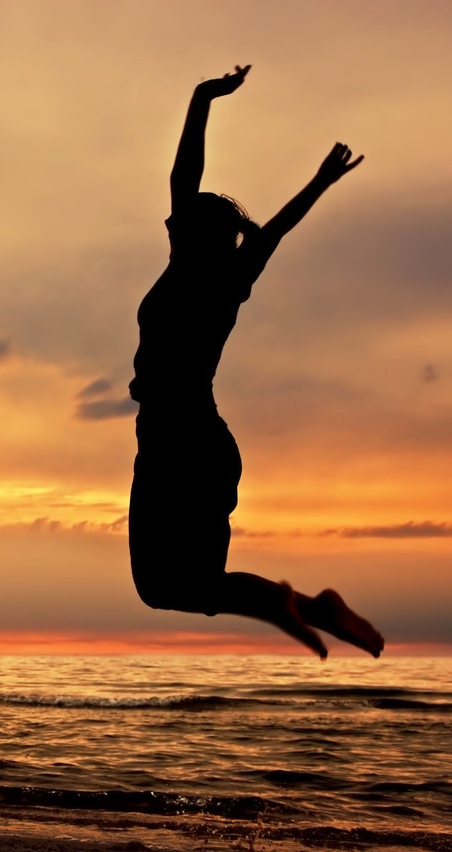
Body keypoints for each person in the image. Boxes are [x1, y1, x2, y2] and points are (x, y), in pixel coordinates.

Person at [128, 64, 383, 659]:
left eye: (189, 218)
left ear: (201, 235)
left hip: (187, 438)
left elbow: (252, 218)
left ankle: (298, 608)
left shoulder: (219, 275)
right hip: (176, 439)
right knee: (168, 587)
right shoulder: (210, 270)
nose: (178, 217)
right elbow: (194, 184)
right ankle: (313, 609)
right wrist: (201, 99)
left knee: (176, 586)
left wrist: (318, 183)